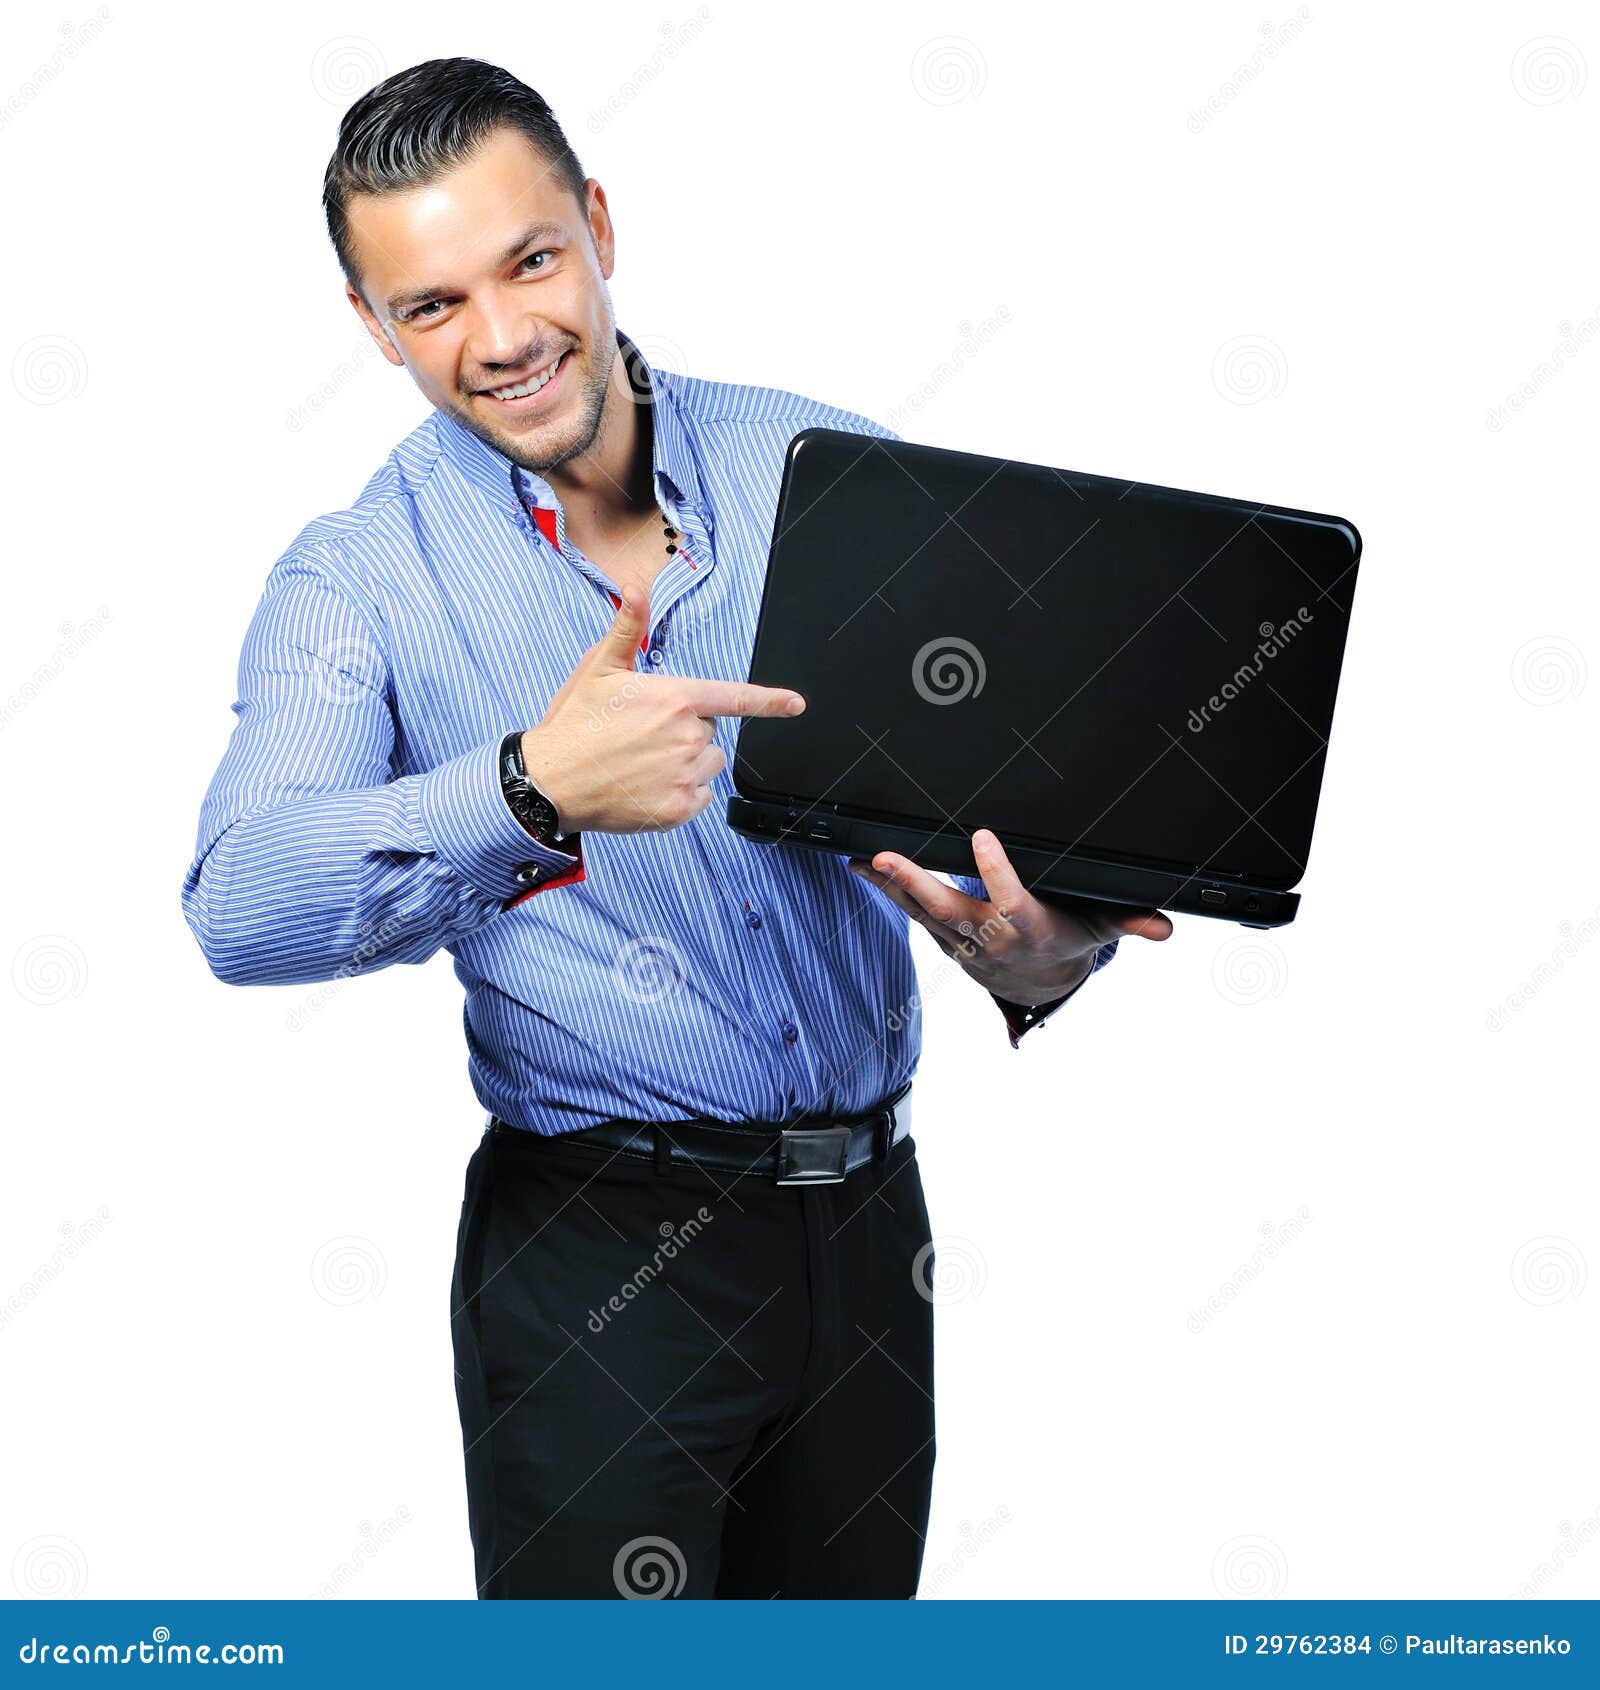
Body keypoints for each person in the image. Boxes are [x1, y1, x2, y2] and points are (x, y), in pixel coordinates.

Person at [182, 56, 1171, 1599]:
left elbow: (980, 808)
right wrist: (527, 789)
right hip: (597, 1260)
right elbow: (240, 903)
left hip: (869, 1234)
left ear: (595, 223)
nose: (503, 338)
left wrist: (1036, 959)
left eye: (528, 260)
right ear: (373, 330)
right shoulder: (354, 583)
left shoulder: (823, 472)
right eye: (431, 305)